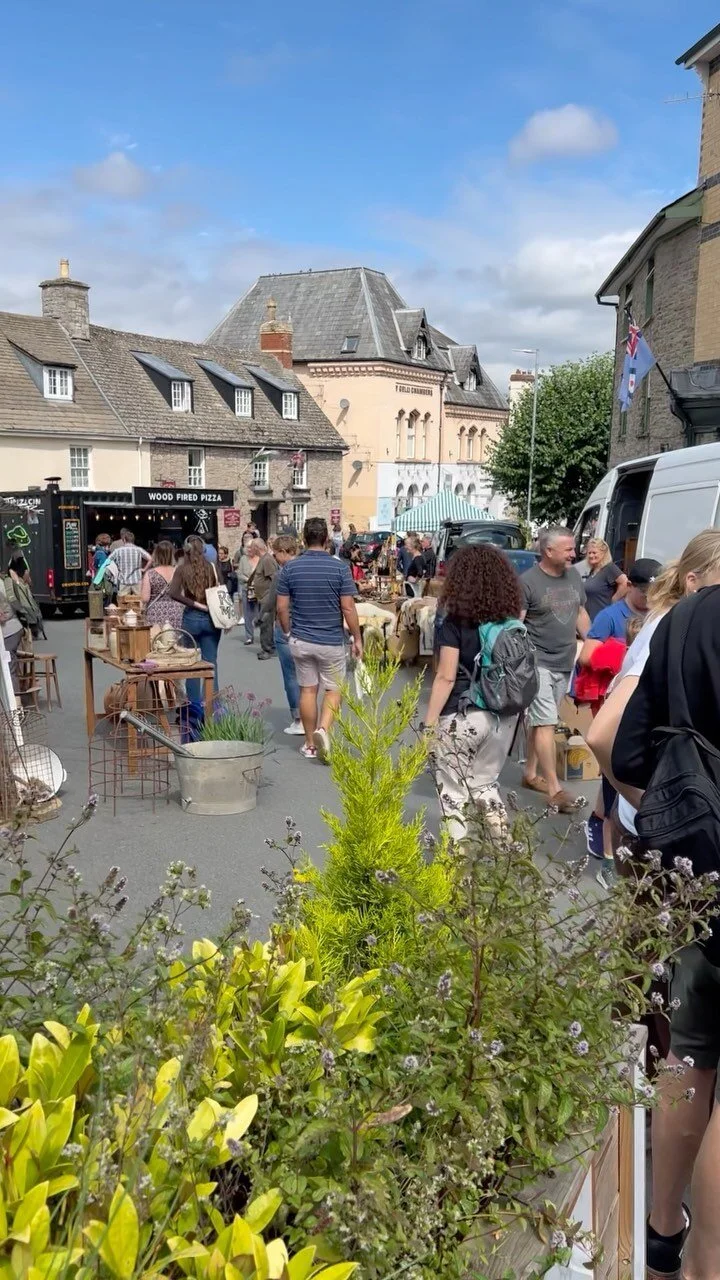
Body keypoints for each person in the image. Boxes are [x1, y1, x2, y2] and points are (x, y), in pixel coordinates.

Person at [586, 529, 720, 1279]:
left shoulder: (690, 618)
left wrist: (677, 820)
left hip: (697, 874)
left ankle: (664, 1234)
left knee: (691, 1051)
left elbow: (617, 747)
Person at [425, 544, 523, 840]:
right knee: (485, 785)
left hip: (462, 712)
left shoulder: (454, 622)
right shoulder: (511, 622)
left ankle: (457, 868)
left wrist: (429, 723)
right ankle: (507, 855)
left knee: (452, 792)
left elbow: (445, 676)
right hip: (503, 715)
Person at [276, 516, 362, 762]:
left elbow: (282, 607)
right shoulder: (339, 568)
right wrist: (357, 638)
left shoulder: (290, 568)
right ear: (326, 539)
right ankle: (323, 729)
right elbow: (348, 608)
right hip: (331, 640)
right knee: (333, 690)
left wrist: (287, 631)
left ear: (303, 539)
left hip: (301, 639)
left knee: (307, 691)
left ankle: (310, 744)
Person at [520, 526, 590, 813]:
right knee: (546, 721)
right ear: (548, 551)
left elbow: (580, 613)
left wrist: (593, 643)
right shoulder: (528, 582)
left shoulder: (574, 576)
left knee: (541, 721)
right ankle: (554, 789)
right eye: (568, 549)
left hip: (565, 661)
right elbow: (516, 623)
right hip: (538, 662)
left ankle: (529, 774)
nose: (575, 554)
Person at [168, 535, 222, 728]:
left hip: (191, 618)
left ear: (187, 551)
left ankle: (193, 714)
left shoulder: (182, 569)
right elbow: (221, 591)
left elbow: (173, 593)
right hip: (211, 619)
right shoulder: (213, 568)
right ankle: (213, 714)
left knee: (192, 666)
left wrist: (194, 603)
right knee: (210, 664)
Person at [262, 535, 304, 735]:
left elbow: (273, 603)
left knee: (290, 675)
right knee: (308, 676)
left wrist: (262, 615)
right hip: (306, 626)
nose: (274, 556)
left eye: (276, 552)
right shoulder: (305, 570)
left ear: (284, 551)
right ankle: (310, 715)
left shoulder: (283, 573)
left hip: (287, 626)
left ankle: (298, 718)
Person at [140, 540, 185, 630]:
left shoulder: (150, 574)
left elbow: (145, 598)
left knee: (157, 640)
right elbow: (183, 595)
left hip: (155, 612)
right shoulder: (179, 572)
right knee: (174, 640)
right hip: (176, 611)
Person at [582, 537, 628, 621]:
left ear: (603, 553)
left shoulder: (609, 568)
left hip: (603, 619)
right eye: (589, 553)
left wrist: (614, 599)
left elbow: (625, 582)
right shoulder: (593, 571)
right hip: (591, 619)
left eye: (594, 553)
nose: (591, 555)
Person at [252, 541, 279, 658]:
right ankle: (267, 647)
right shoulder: (263, 559)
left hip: (268, 598)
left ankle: (268, 649)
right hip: (263, 597)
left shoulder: (267, 560)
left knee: (265, 624)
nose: (250, 550)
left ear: (257, 548)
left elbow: (275, 579)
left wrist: (270, 598)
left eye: (251, 548)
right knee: (264, 624)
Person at [234, 538, 263, 646]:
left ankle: (263, 635)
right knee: (248, 613)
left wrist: (257, 581)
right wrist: (248, 580)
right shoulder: (243, 559)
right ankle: (249, 636)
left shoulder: (261, 558)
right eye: (248, 547)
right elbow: (239, 574)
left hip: (260, 589)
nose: (250, 550)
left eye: (252, 547)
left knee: (261, 613)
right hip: (248, 589)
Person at [105, 530, 150, 595]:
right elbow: (150, 559)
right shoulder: (138, 549)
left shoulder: (118, 551)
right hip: (137, 580)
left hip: (124, 581)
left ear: (124, 540)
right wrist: (144, 569)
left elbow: (107, 561)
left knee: (123, 603)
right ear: (133, 540)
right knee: (139, 602)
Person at [0, 575, 23, 693]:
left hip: (10, 630)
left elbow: (2, 616)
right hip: (13, 628)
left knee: (9, 667)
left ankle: (16, 705)